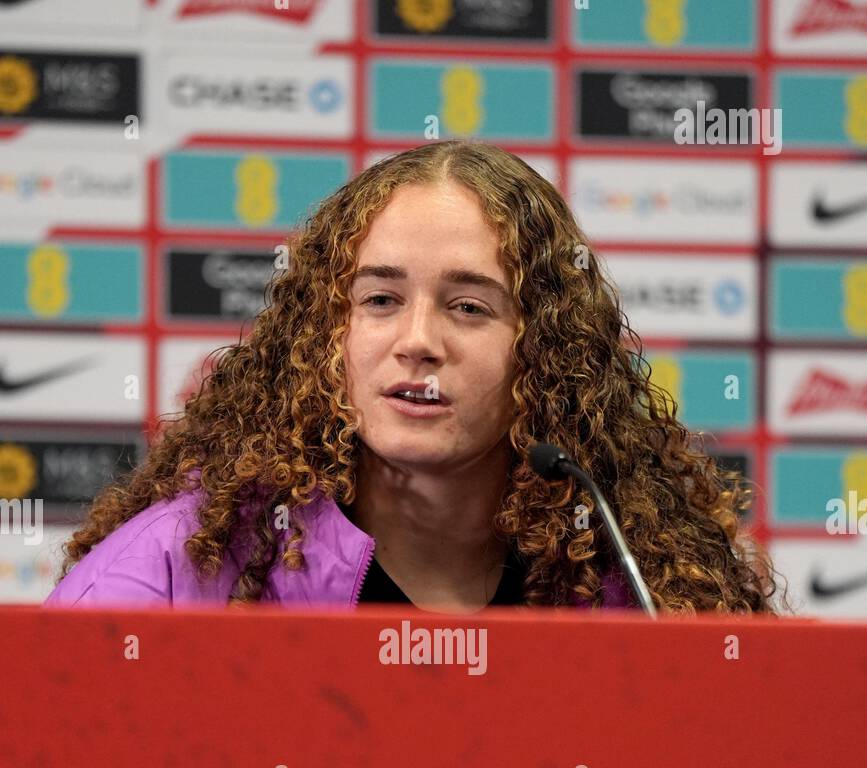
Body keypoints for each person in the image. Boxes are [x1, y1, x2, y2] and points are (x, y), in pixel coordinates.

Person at [44, 141, 777, 614]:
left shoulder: (634, 588)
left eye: (467, 307)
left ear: (547, 352)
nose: (417, 342)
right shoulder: (167, 574)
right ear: (326, 333)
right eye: (380, 301)